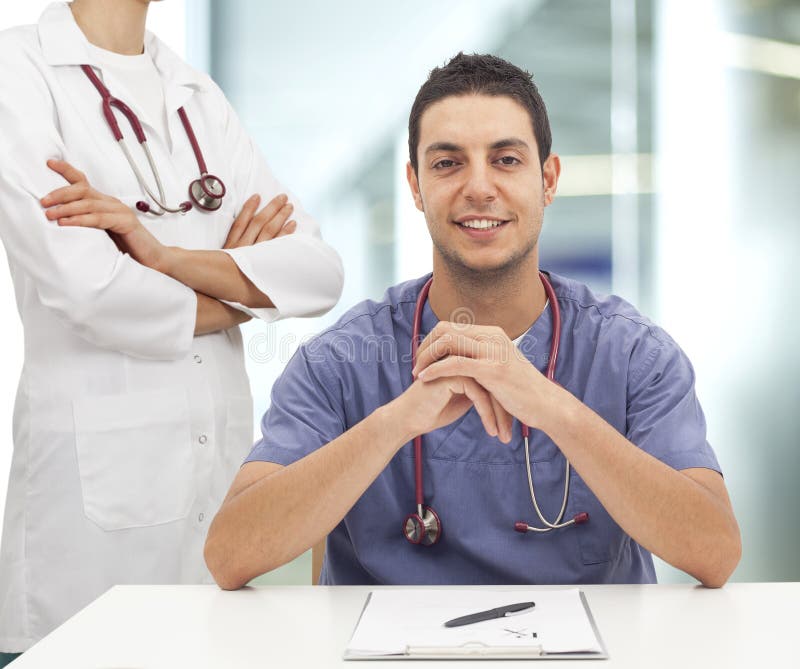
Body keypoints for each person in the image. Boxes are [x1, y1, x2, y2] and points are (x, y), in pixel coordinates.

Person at [204, 53, 741, 591]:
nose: (479, 188)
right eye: (447, 163)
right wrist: (397, 421)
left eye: (506, 160)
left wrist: (551, 406)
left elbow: (714, 552)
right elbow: (230, 555)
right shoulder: (341, 362)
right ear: (414, 186)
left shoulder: (631, 354)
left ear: (548, 180)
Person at [0, 0, 343, 655]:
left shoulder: (193, 93)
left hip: (215, 525)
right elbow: (92, 288)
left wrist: (163, 257)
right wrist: (241, 292)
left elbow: (318, 271)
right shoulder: (17, 69)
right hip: (84, 547)